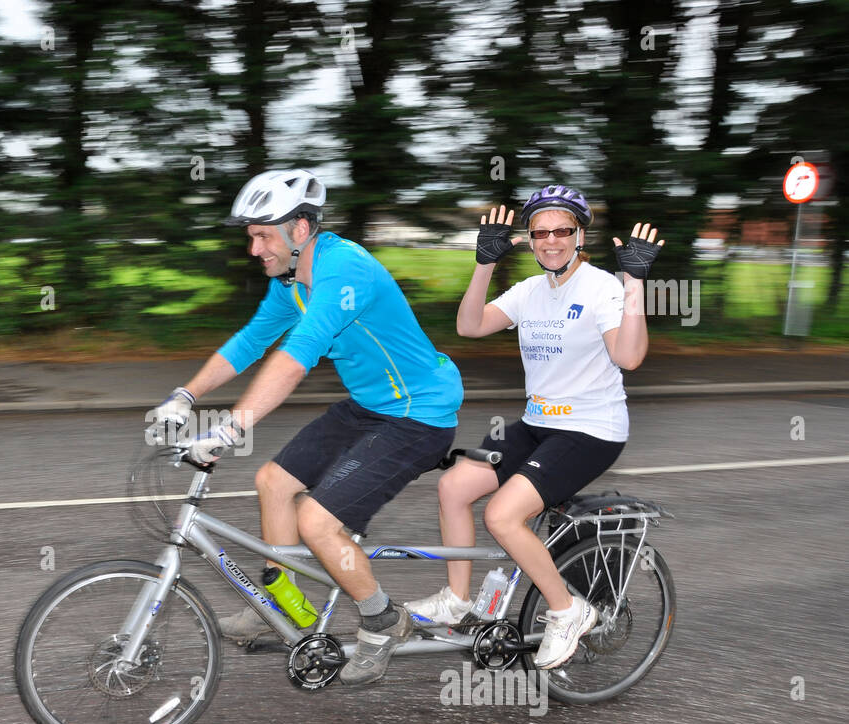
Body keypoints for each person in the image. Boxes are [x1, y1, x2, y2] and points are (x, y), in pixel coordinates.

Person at [146, 168, 464, 686]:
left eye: (262, 234)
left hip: (419, 415)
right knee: (273, 482)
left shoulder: (345, 270)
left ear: (299, 229)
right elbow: (251, 343)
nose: (253, 249)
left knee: (316, 521)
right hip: (370, 406)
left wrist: (230, 428)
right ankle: (286, 609)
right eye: (250, 235)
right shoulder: (293, 281)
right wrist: (185, 396)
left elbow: (295, 360)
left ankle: (383, 618)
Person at [405, 184, 664, 669]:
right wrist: (483, 263)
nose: (550, 241)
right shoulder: (529, 291)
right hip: (535, 421)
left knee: (502, 516)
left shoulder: (603, 287)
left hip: (590, 428)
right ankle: (460, 601)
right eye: (540, 232)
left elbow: (628, 357)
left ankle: (569, 611)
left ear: (579, 234)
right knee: (454, 488)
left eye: (562, 230)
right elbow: (470, 326)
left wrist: (635, 284)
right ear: (528, 238)